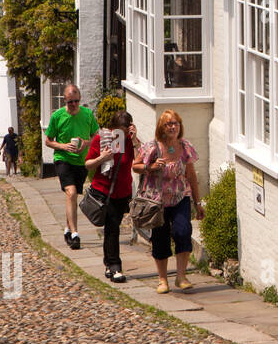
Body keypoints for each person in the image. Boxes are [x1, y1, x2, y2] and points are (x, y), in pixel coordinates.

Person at [133, 109, 203, 294]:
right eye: (168, 124)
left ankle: (181, 276)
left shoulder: (185, 147)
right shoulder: (152, 147)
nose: (173, 127)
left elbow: (191, 175)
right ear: (161, 128)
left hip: (180, 197)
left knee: (183, 231)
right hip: (157, 202)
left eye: (175, 123)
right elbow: (136, 166)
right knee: (160, 239)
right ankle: (162, 279)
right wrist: (151, 167)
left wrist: (198, 202)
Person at [44, 84, 100, 251]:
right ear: (65, 101)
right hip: (63, 159)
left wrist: (86, 144)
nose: (74, 105)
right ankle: (75, 234)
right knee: (72, 192)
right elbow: (48, 141)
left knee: (72, 197)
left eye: (76, 101)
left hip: (82, 161)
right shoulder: (58, 116)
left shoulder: (87, 114)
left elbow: (95, 136)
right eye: (70, 102)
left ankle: (67, 229)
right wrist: (63, 146)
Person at [85, 111, 137, 283]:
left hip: (122, 192)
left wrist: (135, 140)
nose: (120, 135)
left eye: (125, 131)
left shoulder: (129, 142)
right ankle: (115, 267)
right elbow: (88, 164)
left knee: (111, 229)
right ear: (112, 128)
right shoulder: (102, 140)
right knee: (113, 228)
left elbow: (138, 162)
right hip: (103, 191)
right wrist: (102, 158)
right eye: (118, 131)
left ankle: (108, 264)